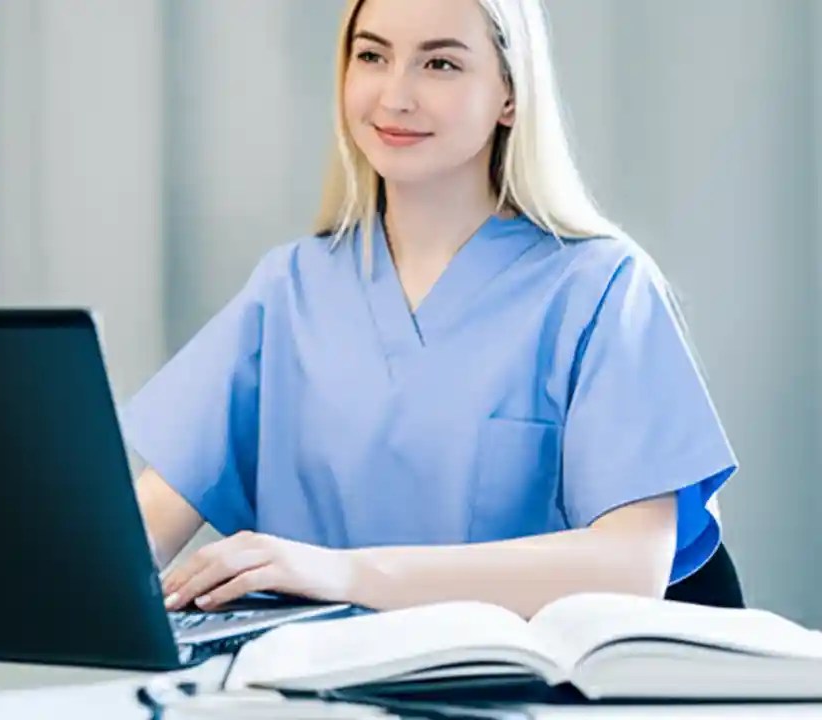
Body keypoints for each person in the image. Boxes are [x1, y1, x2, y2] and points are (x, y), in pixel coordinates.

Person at [121, 0, 737, 619]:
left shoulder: (600, 287)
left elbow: (631, 567)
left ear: (511, 96)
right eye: (371, 56)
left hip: (514, 699)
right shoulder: (289, 289)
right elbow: (129, 545)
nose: (395, 96)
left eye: (440, 63)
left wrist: (345, 573)